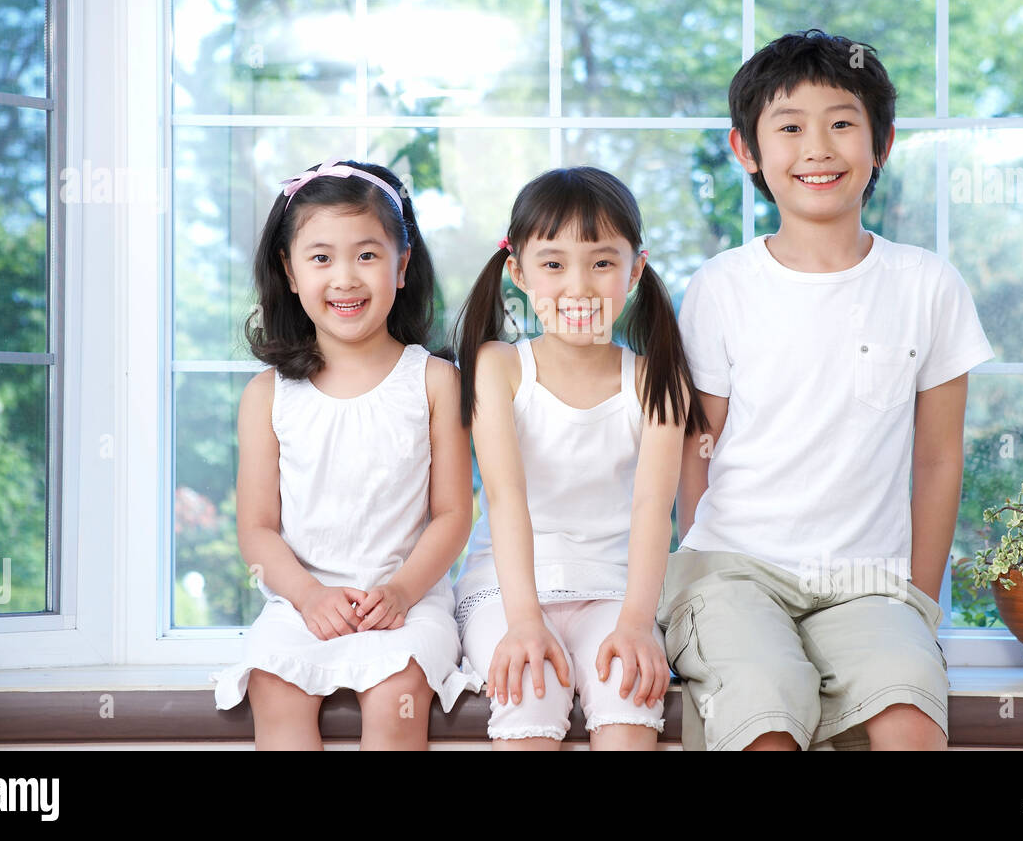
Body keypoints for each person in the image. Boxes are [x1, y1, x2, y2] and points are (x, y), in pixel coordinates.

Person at [661, 30, 995, 751]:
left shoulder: (928, 285)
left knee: (908, 723)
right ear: (745, 150)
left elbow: (938, 460)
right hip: (736, 574)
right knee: (765, 720)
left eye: (842, 123)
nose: (817, 148)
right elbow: (697, 446)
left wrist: (919, 604)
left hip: (870, 583)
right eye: (789, 128)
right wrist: (698, 559)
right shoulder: (722, 286)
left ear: (883, 144)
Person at [213, 158, 478, 750]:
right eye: (320, 257)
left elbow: (454, 515)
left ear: (401, 265)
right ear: (289, 271)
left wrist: (403, 591)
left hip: (408, 601)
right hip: (299, 600)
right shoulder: (267, 395)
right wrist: (307, 596)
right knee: (274, 686)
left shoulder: (434, 381)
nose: (345, 278)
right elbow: (257, 529)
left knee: (396, 696)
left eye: (366, 255)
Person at [453, 167, 705, 750]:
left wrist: (638, 624)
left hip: (617, 592)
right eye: (553, 264)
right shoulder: (499, 366)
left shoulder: (656, 381)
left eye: (601, 262)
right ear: (517, 270)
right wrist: (523, 623)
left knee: (627, 697)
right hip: (506, 590)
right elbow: (505, 497)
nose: (579, 287)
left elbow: (652, 508)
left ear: (634, 269)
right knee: (530, 691)